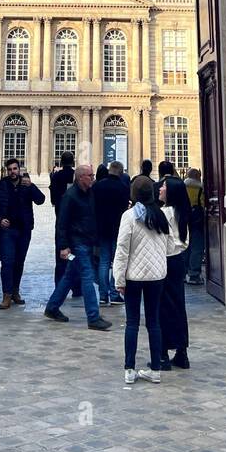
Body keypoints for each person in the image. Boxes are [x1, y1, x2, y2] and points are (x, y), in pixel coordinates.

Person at [114, 176, 169, 383]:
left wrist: (119, 278)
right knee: (154, 322)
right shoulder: (161, 215)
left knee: (132, 323)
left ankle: (129, 369)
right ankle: (155, 368)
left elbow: (122, 250)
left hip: (134, 276)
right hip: (156, 276)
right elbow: (170, 246)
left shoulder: (129, 216)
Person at [44, 164, 111, 330]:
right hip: (76, 244)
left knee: (70, 276)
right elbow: (62, 223)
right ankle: (93, 317)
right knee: (87, 277)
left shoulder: (89, 193)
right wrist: (63, 246)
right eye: (90, 175)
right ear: (81, 177)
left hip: (86, 241)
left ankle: (52, 308)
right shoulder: (70, 196)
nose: (93, 178)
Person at [0, 157, 45, 309]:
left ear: (19, 170)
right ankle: (6, 294)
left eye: (15, 169)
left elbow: (41, 200)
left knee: (19, 262)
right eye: (10, 169)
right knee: (7, 262)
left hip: (24, 229)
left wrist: (32, 186)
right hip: (7, 230)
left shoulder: (26, 185)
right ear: (7, 171)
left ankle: (15, 291)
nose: (12, 172)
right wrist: (0, 220)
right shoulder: (1, 186)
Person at [158, 175, 191, 370]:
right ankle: (182, 353)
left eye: (163, 187)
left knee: (162, 308)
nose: (160, 189)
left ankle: (162, 354)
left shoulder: (164, 213)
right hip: (178, 260)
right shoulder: (182, 211)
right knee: (179, 307)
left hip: (165, 261)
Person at [94, 163, 129, 305]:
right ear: (120, 173)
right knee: (117, 262)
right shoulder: (123, 188)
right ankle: (114, 295)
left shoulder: (98, 186)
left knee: (103, 262)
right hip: (117, 229)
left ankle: (103, 296)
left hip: (101, 228)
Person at [49, 152, 78, 292]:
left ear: (61, 162)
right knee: (74, 255)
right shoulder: (76, 176)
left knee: (60, 255)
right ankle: (76, 288)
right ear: (73, 162)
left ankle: (59, 286)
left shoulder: (56, 176)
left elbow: (53, 200)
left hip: (61, 221)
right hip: (74, 221)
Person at [184, 168, 206, 284]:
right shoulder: (200, 188)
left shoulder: (183, 187)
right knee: (197, 246)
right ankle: (194, 274)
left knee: (185, 246)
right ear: (198, 176)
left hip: (184, 219)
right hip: (196, 220)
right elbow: (203, 204)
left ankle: (184, 272)